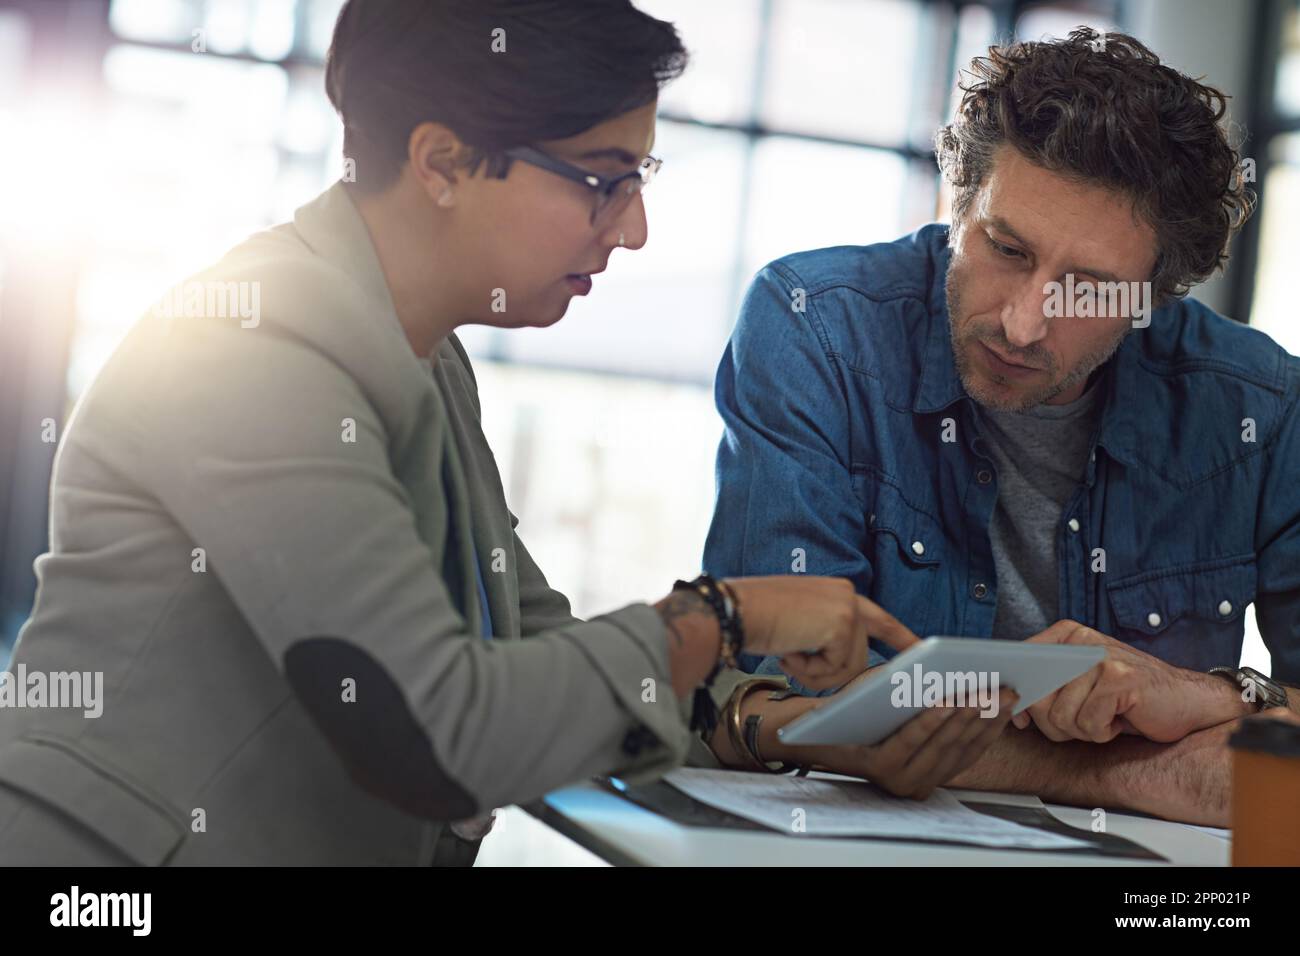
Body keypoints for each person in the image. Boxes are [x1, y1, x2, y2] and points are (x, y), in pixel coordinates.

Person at [0, 0, 1012, 866]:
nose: (633, 228)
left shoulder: (420, 356)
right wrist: (724, 612)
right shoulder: (252, 345)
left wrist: (797, 729)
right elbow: (440, 728)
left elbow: (532, 649)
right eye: (601, 177)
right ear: (441, 161)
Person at [703, 27, 1300, 828]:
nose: (1022, 325)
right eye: (1006, 248)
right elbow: (783, 697)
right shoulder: (817, 328)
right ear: (957, 203)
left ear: (1157, 298)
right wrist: (1142, 773)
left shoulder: (1260, 407)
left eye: (1088, 288)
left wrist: (1203, 696)